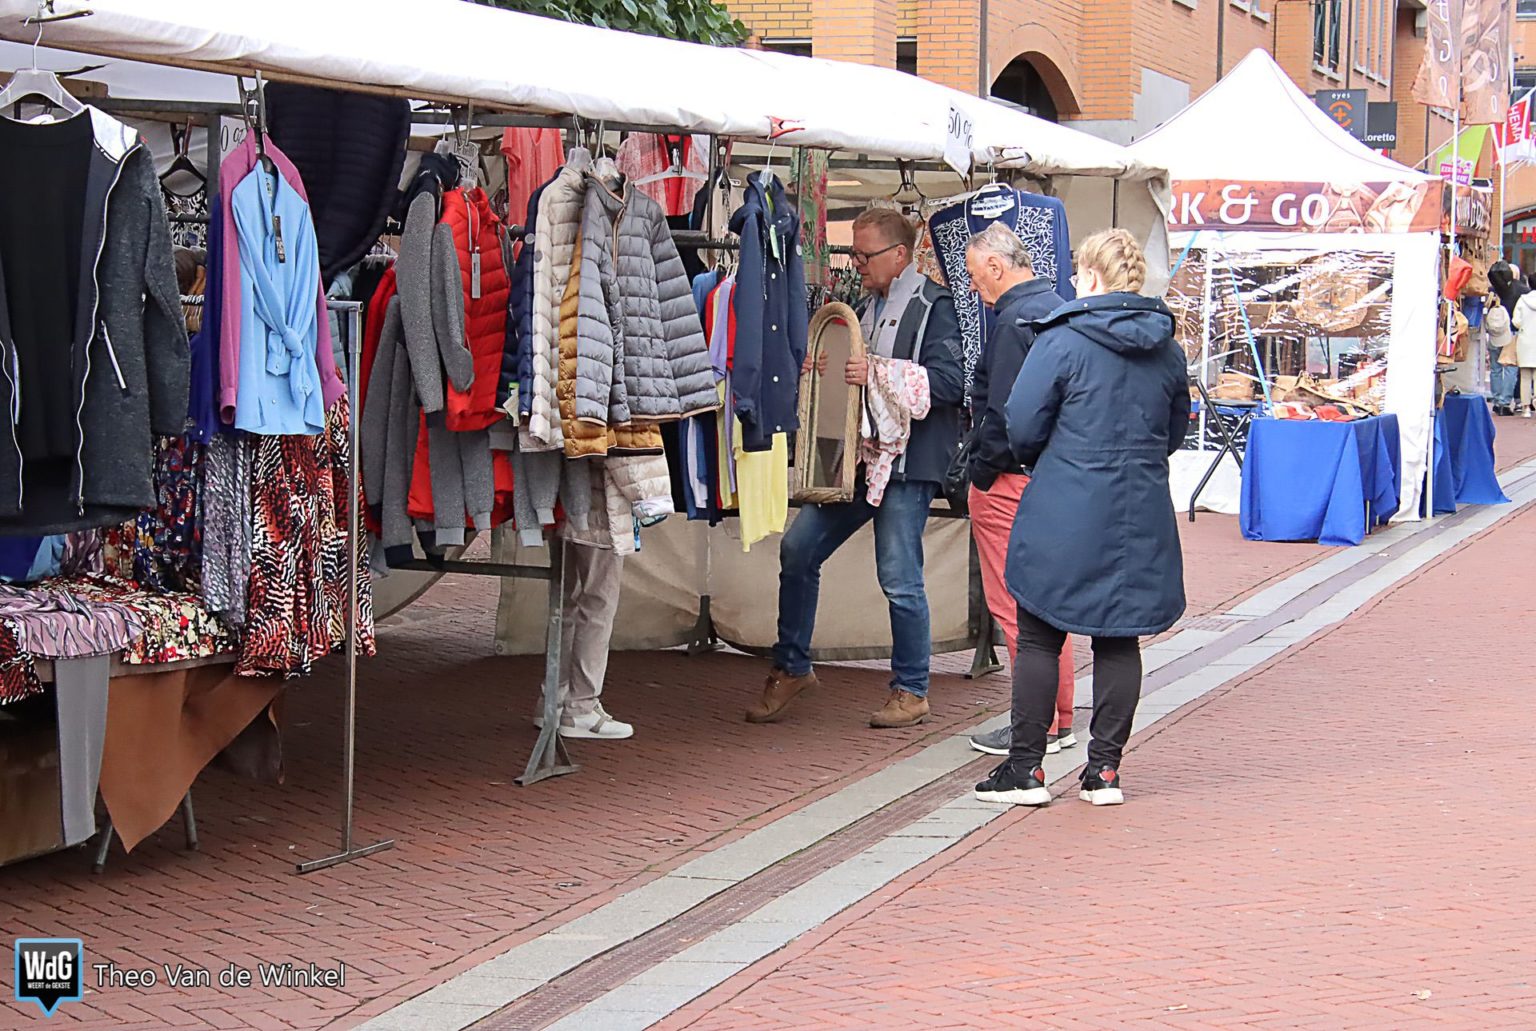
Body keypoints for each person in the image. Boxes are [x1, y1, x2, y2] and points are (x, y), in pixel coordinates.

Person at [974, 228, 1188, 808]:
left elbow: (1021, 423)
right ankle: (1104, 772)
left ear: (1091, 276)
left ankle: (1025, 770)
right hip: (1139, 509)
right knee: (1119, 638)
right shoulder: (1167, 348)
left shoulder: (1061, 339)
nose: (1071, 281)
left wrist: (1053, 458)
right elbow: (1174, 432)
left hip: (1064, 503)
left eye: (1076, 273)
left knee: (1040, 634)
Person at [747, 207, 965, 729]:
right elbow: (853, 382)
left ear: (899, 254)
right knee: (798, 549)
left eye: (865, 255)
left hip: (909, 462)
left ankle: (911, 690)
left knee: (899, 575)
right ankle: (793, 666)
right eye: (855, 254)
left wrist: (876, 372)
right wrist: (821, 366)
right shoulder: (863, 308)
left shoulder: (935, 307)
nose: (857, 263)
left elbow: (951, 384)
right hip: (858, 460)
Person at [957, 224, 1079, 759]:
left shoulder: (1012, 322)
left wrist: (982, 472)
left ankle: (1037, 722)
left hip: (1009, 479)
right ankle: (1057, 717)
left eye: (973, 274)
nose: (972, 285)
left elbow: (1003, 413)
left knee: (1014, 605)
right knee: (1048, 604)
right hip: (1051, 476)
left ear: (995, 267)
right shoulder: (1058, 308)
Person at [1488, 262, 1525, 415]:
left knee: (1495, 368)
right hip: (1512, 333)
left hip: (1494, 333)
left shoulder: (1492, 291)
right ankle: (1505, 402)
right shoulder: (1522, 291)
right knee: (1510, 368)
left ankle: (1497, 400)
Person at [1512, 285, 1536, 418]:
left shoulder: (1522, 300)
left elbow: (1516, 321)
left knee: (1525, 377)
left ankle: (1526, 408)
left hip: (1525, 341)